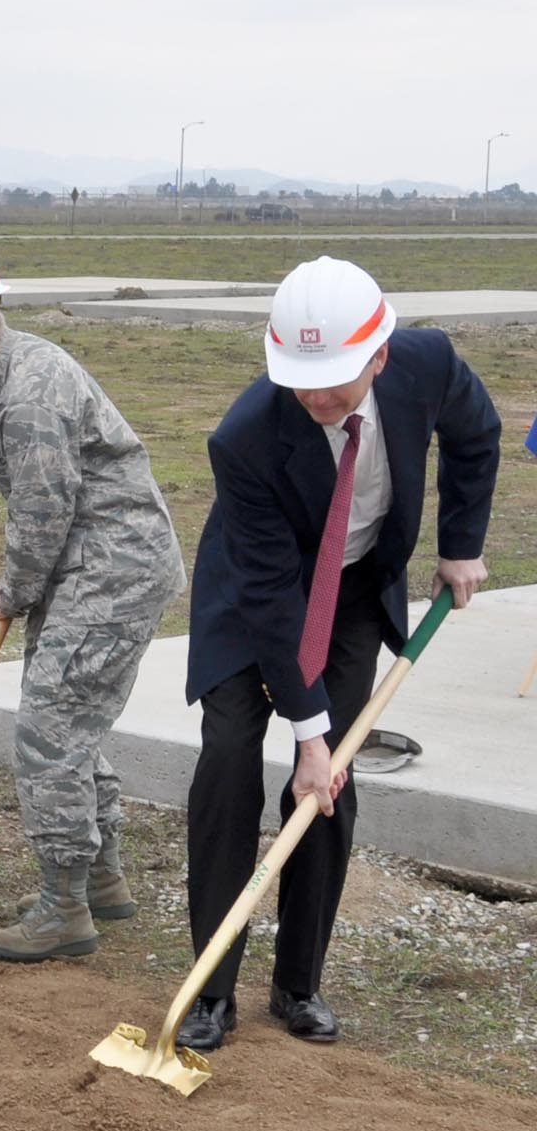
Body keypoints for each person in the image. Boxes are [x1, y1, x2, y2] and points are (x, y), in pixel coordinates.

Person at [177, 256, 498, 1051]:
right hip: (252, 593)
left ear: (379, 356)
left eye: (335, 382)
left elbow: (477, 435)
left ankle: (298, 984)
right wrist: (306, 731)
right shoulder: (246, 436)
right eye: (300, 382)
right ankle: (210, 990)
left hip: (355, 588)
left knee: (327, 787)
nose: (316, 399)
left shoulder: (427, 363)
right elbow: (274, 597)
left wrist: (461, 546)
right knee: (227, 758)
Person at [0, 240, 185, 961]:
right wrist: (26, 588)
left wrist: (14, 591)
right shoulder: (9, 373)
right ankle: (101, 880)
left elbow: (43, 507)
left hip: (111, 570)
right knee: (69, 721)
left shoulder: (29, 391)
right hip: (85, 568)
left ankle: (64, 907)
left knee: (48, 727)